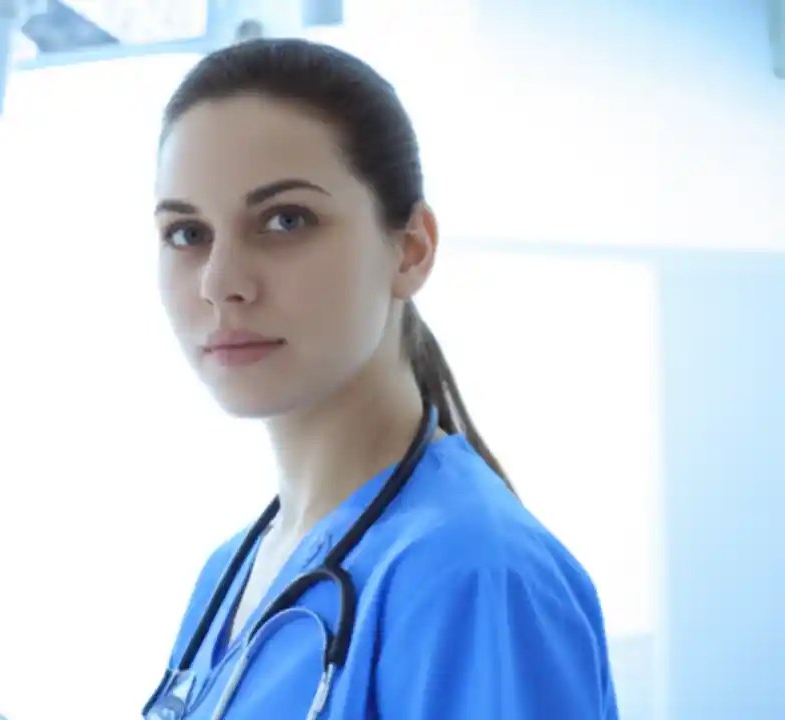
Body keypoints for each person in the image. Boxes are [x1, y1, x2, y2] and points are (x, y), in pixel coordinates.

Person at [143, 38, 620, 719]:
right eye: (187, 234)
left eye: (285, 221)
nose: (222, 285)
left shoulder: (471, 575)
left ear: (411, 249)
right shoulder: (231, 574)